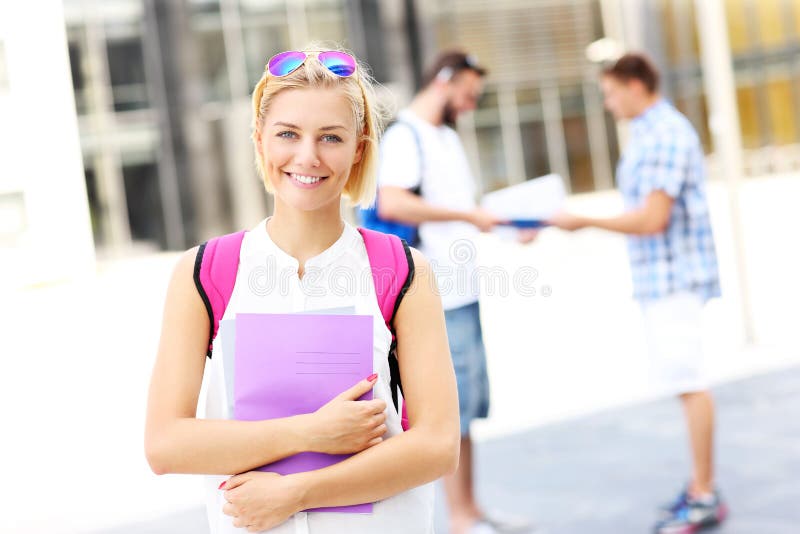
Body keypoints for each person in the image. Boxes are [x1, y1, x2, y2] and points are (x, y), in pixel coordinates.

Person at [144, 45, 460, 534]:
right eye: (287, 134)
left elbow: (438, 445)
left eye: (330, 137)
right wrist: (311, 433)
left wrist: (297, 493)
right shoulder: (205, 272)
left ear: (359, 149)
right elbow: (165, 444)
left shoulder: (401, 270)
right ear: (260, 140)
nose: (307, 157)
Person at [549, 53, 728, 533]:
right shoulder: (651, 133)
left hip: (675, 279)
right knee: (685, 382)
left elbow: (652, 219)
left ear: (634, 86)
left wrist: (584, 221)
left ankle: (705, 494)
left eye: (611, 94)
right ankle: (700, 487)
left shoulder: (665, 133)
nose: (608, 104)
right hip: (663, 279)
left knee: (691, 382)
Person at [375, 50, 532, 534]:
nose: (469, 105)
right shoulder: (406, 136)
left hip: (463, 290)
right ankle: (461, 519)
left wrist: (504, 225)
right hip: (433, 294)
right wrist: (468, 215)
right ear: (444, 80)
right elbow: (393, 202)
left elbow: (460, 209)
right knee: (450, 411)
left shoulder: (445, 137)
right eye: (467, 95)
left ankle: (471, 510)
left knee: (467, 409)